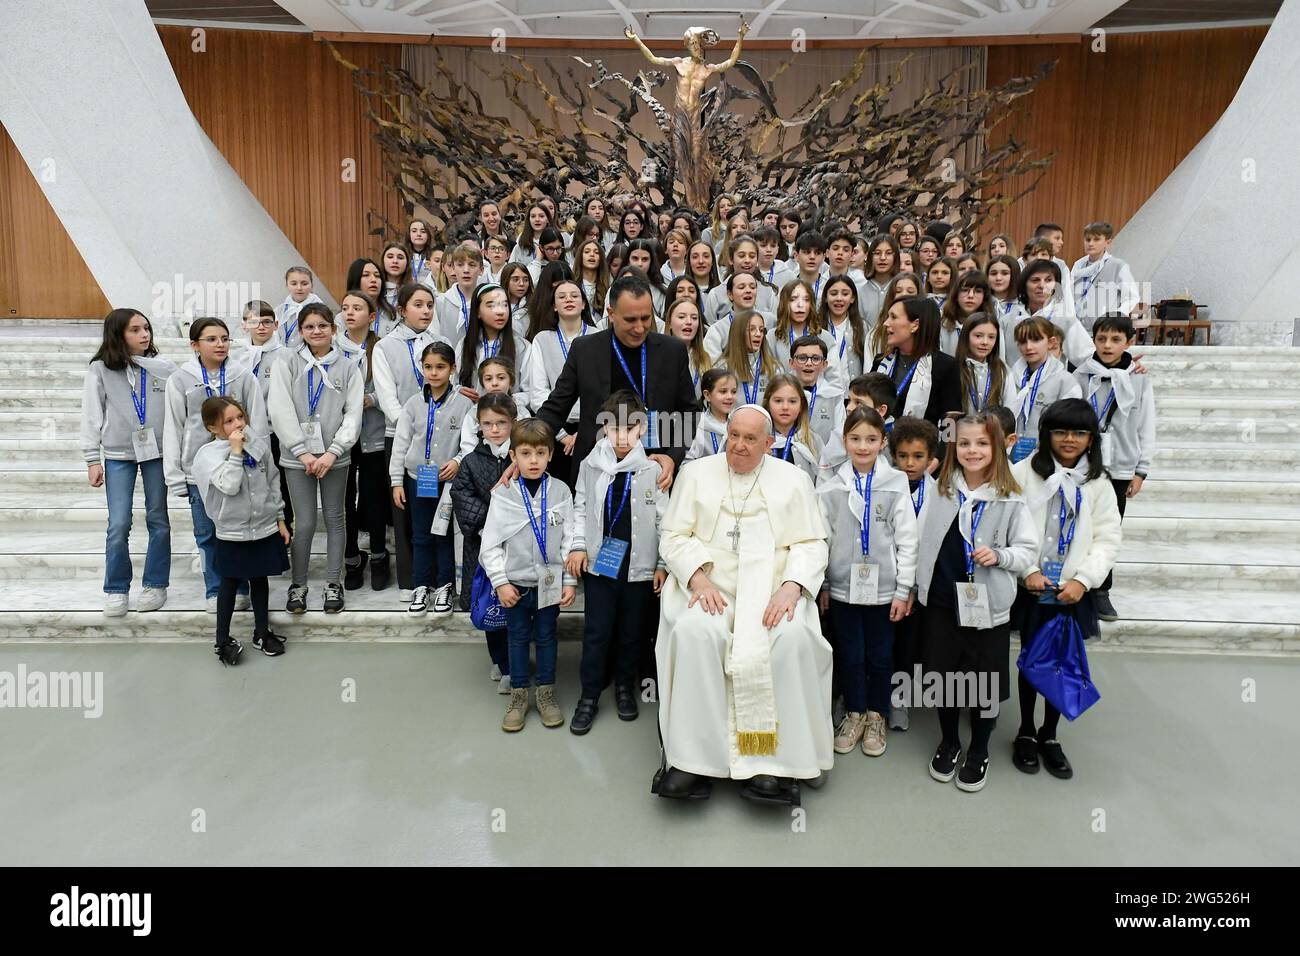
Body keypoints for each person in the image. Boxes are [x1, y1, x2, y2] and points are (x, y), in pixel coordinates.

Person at [654, 404, 831, 803]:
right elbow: (673, 535)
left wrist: (792, 587)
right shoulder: (696, 473)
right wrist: (697, 578)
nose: (739, 445)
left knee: (791, 637)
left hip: (771, 587)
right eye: (734, 435)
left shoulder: (794, 479)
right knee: (696, 631)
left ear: (769, 443)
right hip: (710, 583)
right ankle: (692, 761)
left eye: (751, 438)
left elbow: (811, 543)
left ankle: (774, 763)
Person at [913, 412, 1036, 793]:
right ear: (954, 447)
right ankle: (949, 741)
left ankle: (980, 748)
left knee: (982, 682)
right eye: (964, 443)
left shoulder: (1011, 496)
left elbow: (1028, 552)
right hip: (942, 602)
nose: (973, 450)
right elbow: (921, 540)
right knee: (945, 677)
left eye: (982, 443)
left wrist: (1000, 557)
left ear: (998, 446)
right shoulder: (941, 489)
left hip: (988, 608)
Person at [1011, 398, 1122, 778]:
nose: (1069, 439)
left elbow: (1107, 538)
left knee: (1060, 661)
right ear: (1046, 435)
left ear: (1091, 438)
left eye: (1078, 432)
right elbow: (1007, 524)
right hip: (1033, 586)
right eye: (1060, 431)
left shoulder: (1099, 484)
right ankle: (1025, 729)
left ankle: (1049, 734)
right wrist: (1026, 569)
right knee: (1030, 657)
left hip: (1070, 590)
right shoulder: (1024, 472)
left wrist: (1083, 580)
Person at [817, 406, 918, 757]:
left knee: (879, 653)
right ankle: (855, 713)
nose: (863, 446)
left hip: (884, 590)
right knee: (850, 652)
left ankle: (877, 714)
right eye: (856, 439)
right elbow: (824, 539)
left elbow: (907, 539)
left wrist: (903, 589)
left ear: (883, 442)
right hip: (844, 588)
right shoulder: (831, 486)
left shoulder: (895, 482)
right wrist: (826, 586)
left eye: (871, 439)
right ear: (844, 441)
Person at [566, 391, 669, 734]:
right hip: (601, 565)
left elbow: (664, 521)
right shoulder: (591, 465)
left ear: (643, 429)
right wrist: (578, 547)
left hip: (637, 568)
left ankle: (625, 688)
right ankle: (589, 695)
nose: (622, 436)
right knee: (597, 632)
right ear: (604, 429)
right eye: (614, 429)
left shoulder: (653, 470)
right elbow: (579, 508)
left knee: (631, 633)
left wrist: (663, 564)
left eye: (631, 428)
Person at [536, 274, 698, 485]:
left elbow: (689, 413)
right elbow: (555, 408)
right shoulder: (584, 349)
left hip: (653, 468)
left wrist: (672, 456)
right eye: (630, 320)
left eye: (645, 318)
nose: (639, 328)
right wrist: (527, 444)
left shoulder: (672, 351)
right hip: (596, 468)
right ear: (611, 314)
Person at [481, 418, 578, 732]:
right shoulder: (505, 494)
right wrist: (500, 581)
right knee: (518, 638)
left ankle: (546, 693)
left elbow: (569, 538)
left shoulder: (561, 491)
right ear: (513, 457)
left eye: (540, 453)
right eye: (525, 453)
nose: (533, 460)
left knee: (548, 638)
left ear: (550, 454)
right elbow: (491, 544)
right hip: (516, 587)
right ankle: (519, 693)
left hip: (548, 583)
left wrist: (569, 580)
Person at [268, 304, 364, 614]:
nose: (316, 331)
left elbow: (353, 413)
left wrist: (334, 450)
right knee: (306, 522)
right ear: (300, 331)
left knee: (336, 519)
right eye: (309, 326)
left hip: (334, 456)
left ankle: (333, 583)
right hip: (298, 459)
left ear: (333, 330)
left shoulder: (348, 367)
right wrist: (302, 451)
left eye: (323, 325)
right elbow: (280, 408)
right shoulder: (287, 362)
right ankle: (299, 585)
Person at [163, 318, 264, 612]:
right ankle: (215, 589)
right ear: (195, 345)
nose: (220, 344)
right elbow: (174, 427)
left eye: (224, 338)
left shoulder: (243, 376)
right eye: (211, 339)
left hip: (238, 467)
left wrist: (255, 460)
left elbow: (257, 421)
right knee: (206, 535)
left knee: (238, 532)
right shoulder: (180, 379)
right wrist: (175, 476)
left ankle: (241, 587)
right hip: (200, 475)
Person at [81, 308, 175, 617]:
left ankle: (156, 584)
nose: (144, 334)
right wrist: (92, 459)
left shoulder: (163, 368)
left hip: (156, 454)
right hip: (118, 454)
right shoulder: (100, 370)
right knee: (118, 523)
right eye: (135, 330)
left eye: (146, 328)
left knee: (158, 518)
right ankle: (116, 588)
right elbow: (91, 416)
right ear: (118, 334)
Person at [191, 396, 290, 665]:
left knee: (260, 579)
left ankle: (261, 632)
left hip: (263, 527)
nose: (238, 425)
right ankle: (221, 639)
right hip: (232, 532)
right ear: (213, 428)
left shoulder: (257, 444)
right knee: (229, 583)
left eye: (240, 417)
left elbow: (272, 481)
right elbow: (229, 485)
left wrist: (279, 518)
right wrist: (235, 452)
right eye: (229, 421)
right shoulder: (207, 456)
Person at [1073, 314, 1154, 620]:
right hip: (1082, 466)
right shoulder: (1080, 375)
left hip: (1119, 468)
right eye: (1102, 339)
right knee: (1078, 525)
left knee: (1108, 529)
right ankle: (1076, 582)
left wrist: (1141, 470)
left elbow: (1147, 425)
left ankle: (1101, 589)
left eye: (1116, 340)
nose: (1107, 346)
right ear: (1093, 341)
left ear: (1129, 343)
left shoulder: (1139, 379)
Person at [372, 283, 448, 599]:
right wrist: (415, 425)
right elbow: (387, 396)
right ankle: (411, 581)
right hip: (402, 438)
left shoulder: (439, 343)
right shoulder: (385, 346)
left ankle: (440, 580)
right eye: (419, 305)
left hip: (439, 445)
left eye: (430, 305)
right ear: (402, 310)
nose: (426, 311)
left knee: (436, 516)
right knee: (406, 515)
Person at [390, 341, 474, 617]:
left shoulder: (463, 404)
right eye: (428, 367)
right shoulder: (413, 404)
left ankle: (445, 586)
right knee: (421, 534)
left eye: (440, 367)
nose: (434, 373)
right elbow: (401, 444)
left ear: (453, 369)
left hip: (448, 482)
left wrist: (458, 461)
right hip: (417, 479)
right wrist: (396, 481)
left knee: (444, 534)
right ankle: (422, 585)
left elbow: (470, 443)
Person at [450, 393, 517, 693]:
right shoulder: (470, 463)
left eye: (501, 423)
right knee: (493, 604)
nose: (494, 429)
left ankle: (515, 661)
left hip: (520, 548)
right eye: (487, 423)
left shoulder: (524, 455)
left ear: (513, 423)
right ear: (478, 426)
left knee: (517, 605)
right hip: (484, 547)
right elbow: (464, 503)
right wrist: (497, 517)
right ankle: (502, 662)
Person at [885, 414, 939, 731]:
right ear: (893, 455)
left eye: (918, 456)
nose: (909, 463)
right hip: (888, 583)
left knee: (908, 645)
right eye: (903, 456)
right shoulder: (884, 489)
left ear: (931, 458)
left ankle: (899, 699)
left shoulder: (939, 494)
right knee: (883, 643)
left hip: (919, 586)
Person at [336, 291, 390, 591]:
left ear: (371, 317)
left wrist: (370, 398)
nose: (350, 313)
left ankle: (380, 555)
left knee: (374, 496)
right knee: (345, 500)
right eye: (345, 308)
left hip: (372, 434)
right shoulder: (333, 347)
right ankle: (352, 558)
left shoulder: (380, 347)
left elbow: (392, 388)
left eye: (357, 308)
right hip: (341, 437)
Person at [870, 296, 963, 431]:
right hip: (879, 446)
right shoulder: (881, 361)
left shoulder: (945, 366)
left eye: (893, 317)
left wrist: (944, 452)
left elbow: (950, 420)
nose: (885, 323)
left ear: (915, 325)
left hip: (925, 448)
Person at [1009, 316, 1083, 463]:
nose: (1028, 347)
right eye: (1023, 342)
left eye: (1036, 340)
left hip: (1048, 459)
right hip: (1011, 457)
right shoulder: (1010, 377)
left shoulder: (1066, 381)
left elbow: (1070, 425)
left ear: (1051, 342)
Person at [1071, 221, 1141, 332]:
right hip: (1078, 329)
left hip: (1105, 329)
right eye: (1088, 239)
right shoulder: (1078, 265)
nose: (1090, 243)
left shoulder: (1118, 266)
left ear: (1107, 243)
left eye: (1096, 239)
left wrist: (1115, 318)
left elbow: (1132, 297)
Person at [764, 373, 821, 482]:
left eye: (792, 401)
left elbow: (822, 480)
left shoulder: (812, 440)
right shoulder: (760, 439)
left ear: (801, 405)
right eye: (778, 401)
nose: (785, 407)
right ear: (768, 404)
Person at [788, 335, 842, 448]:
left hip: (823, 461)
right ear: (791, 363)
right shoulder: (781, 394)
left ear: (824, 365)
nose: (808, 363)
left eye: (815, 359)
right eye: (802, 358)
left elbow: (839, 436)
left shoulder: (834, 396)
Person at [956, 313, 1016, 414]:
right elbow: (947, 416)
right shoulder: (953, 369)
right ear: (966, 337)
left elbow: (1010, 412)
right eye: (978, 336)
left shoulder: (1003, 371)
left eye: (991, 337)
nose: (985, 342)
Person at [684, 367, 738, 463]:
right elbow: (686, 464)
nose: (730, 396)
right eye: (723, 391)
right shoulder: (697, 426)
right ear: (707, 395)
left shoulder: (739, 423)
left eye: (733, 392)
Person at [436, 242, 485, 343]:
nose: (466, 270)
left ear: (481, 270)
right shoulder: (442, 302)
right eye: (460, 265)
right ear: (453, 268)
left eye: (472, 265)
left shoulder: (487, 300)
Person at [275, 266, 324, 351]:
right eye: (294, 284)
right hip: (283, 356)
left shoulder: (321, 310)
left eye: (304, 284)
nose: (299, 288)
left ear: (312, 285)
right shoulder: (280, 310)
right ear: (287, 285)